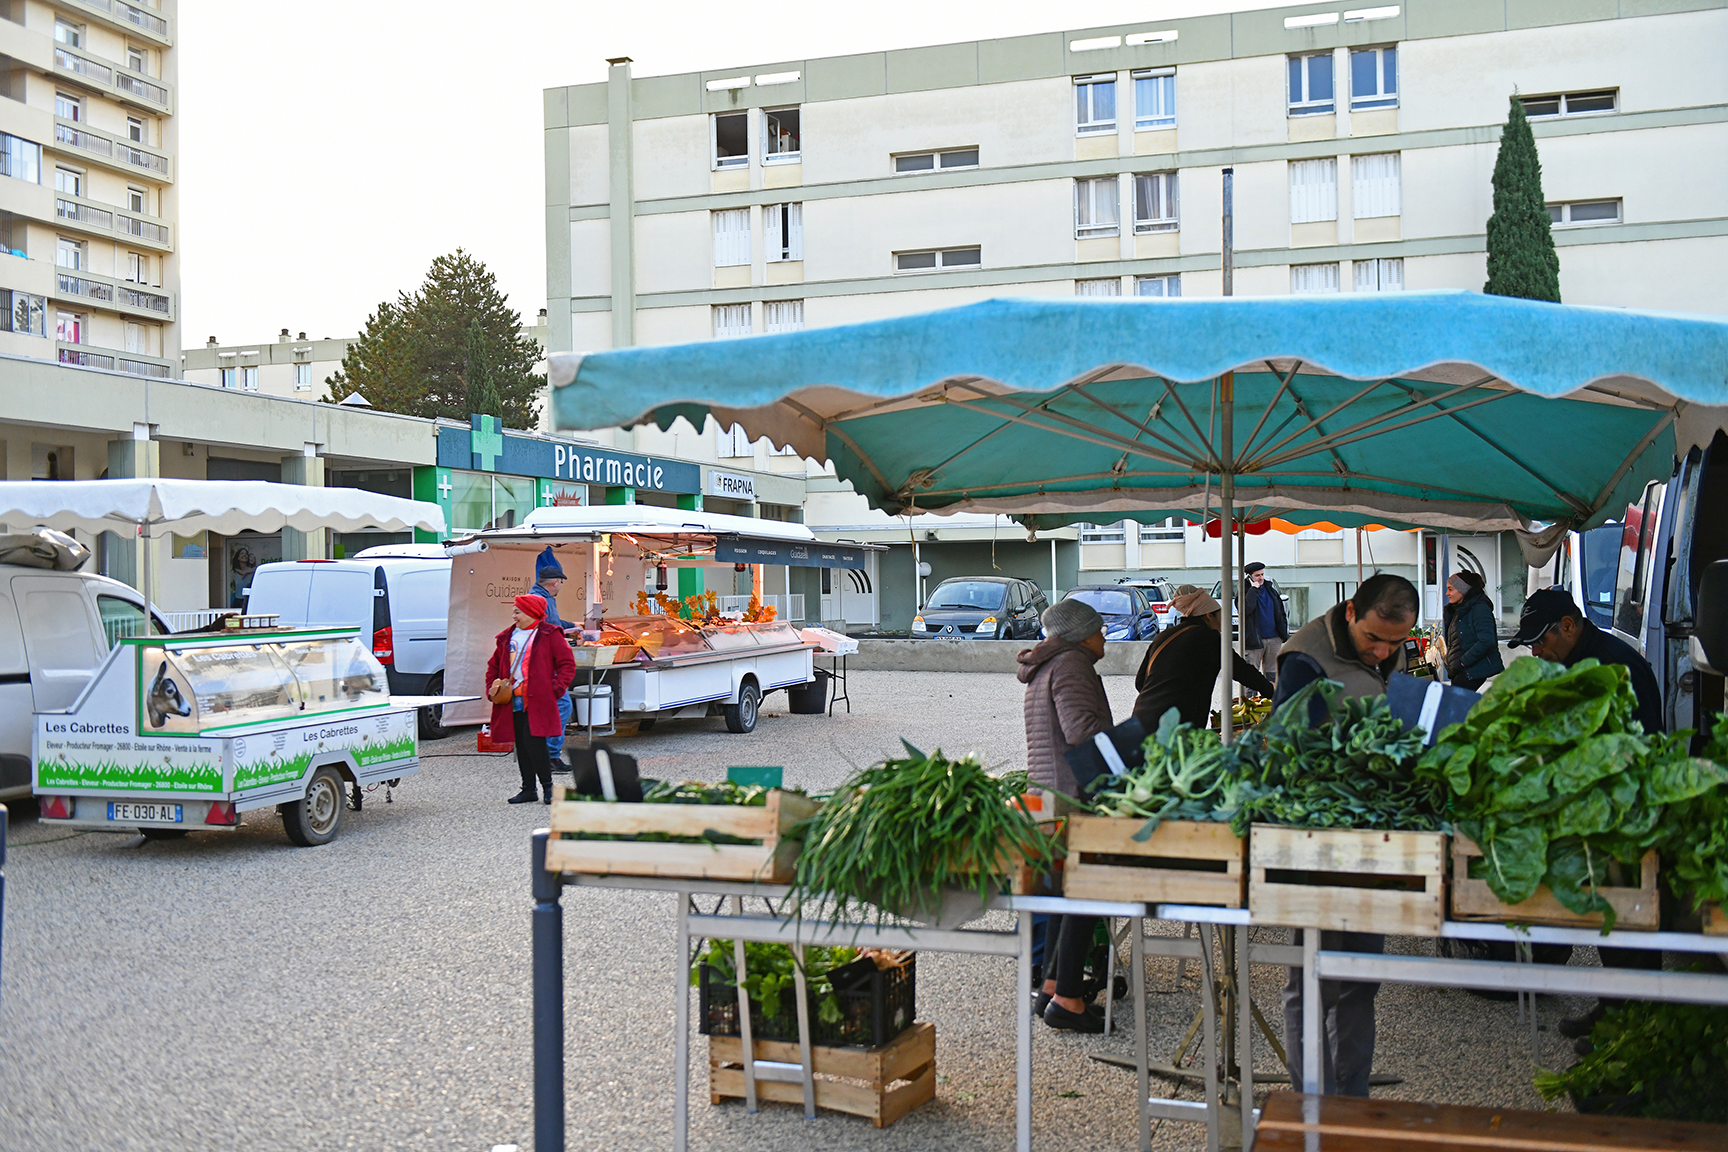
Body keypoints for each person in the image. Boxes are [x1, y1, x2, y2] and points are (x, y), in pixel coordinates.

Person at [1274, 573, 1418, 1098]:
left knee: (1362, 975)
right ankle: (1315, 1103)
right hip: (1320, 840)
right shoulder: (1305, 659)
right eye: (1373, 640)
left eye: (1395, 644)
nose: (1382, 652)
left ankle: (1351, 1101)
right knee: (1311, 980)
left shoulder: (1391, 649)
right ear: (1352, 611)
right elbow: (1293, 751)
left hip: (1375, 838)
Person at [1508, 587, 1665, 1045]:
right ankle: (1617, 1007)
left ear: (1569, 626)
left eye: (1541, 640)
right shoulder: (1578, 663)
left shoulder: (1615, 666)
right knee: (1608, 916)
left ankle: (1633, 1024)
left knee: (1628, 916)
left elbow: (1634, 745)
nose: (1537, 651)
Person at [1017, 597, 1113, 1034]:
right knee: (1085, 891)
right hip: (1071, 794)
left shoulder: (1047, 666)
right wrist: (1127, 750)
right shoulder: (1073, 664)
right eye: (1098, 628)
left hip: (1049, 793)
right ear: (1080, 635)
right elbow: (1081, 732)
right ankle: (1068, 999)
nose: (1104, 635)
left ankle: (1053, 986)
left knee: (1063, 892)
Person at [1131, 589, 1273, 730]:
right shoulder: (1208, 637)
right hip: (1176, 725)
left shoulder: (1164, 636)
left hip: (1140, 719)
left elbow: (1140, 682)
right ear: (1209, 616)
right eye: (1220, 616)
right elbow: (1240, 670)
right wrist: (1270, 690)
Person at [486, 593, 575, 805]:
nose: (513, 615)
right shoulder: (506, 637)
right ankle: (528, 789)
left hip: (537, 699)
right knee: (522, 745)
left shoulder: (550, 634)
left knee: (535, 743)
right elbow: (493, 665)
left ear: (531, 612)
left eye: (517, 611)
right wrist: (492, 687)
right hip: (511, 700)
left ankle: (547, 787)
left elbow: (567, 665)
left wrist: (555, 689)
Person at [530, 547, 577, 769]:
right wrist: (569, 631)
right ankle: (550, 755)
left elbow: (555, 623)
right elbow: (549, 628)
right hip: (544, 662)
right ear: (556, 582)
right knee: (563, 704)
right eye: (561, 582)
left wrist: (574, 626)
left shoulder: (541, 597)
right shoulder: (541, 599)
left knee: (553, 705)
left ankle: (541, 753)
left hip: (542, 661)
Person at [1442, 570, 1504, 691]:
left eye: (1450, 589)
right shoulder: (1457, 610)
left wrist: (1463, 662)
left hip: (1471, 671)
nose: (1447, 593)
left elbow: (1486, 640)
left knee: (1457, 705)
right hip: (1460, 671)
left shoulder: (1479, 608)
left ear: (1462, 590)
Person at [1241, 562, 1289, 688]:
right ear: (1249, 577)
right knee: (1251, 675)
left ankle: (1270, 701)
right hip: (1254, 640)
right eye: (1257, 575)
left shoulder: (1270, 589)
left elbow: (1280, 611)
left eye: (1262, 574)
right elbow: (1246, 609)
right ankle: (1250, 701)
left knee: (1272, 674)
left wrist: (1282, 634)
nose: (1261, 578)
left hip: (1274, 638)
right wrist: (1253, 589)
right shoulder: (1244, 592)